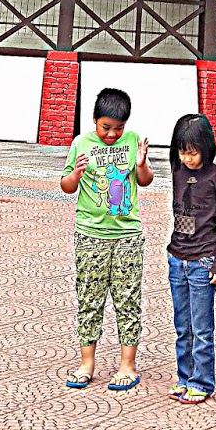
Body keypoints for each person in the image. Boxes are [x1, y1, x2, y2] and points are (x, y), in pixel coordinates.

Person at [60, 87, 153, 391]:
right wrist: (76, 174)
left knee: (127, 299)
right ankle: (87, 363)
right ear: (94, 120)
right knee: (90, 298)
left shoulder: (133, 141)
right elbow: (66, 185)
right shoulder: (81, 143)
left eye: (118, 128)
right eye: (106, 128)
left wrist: (141, 164)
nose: (112, 134)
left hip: (127, 234)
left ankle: (128, 365)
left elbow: (145, 181)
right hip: (90, 235)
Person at [166, 113, 216, 405]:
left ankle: (202, 381)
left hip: (203, 261)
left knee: (201, 327)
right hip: (177, 258)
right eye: (182, 152)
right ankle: (185, 377)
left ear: (206, 147)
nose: (187, 158)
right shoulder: (178, 171)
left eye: (193, 152)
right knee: (183, 325)